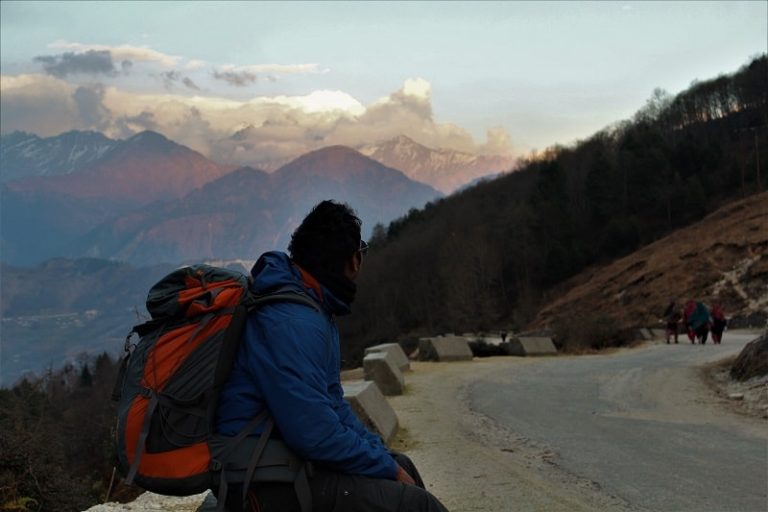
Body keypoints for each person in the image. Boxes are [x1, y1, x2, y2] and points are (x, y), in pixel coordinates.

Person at [215, 200, 448, 512]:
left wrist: (382, 456)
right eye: (361, 250)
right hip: (257, 479)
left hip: (277, 458)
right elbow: (314, 433)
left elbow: (333, 405)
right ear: (352, 261)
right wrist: (386, 468)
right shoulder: (293, 322)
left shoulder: (309, 305)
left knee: (401, 464)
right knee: (416, 505)